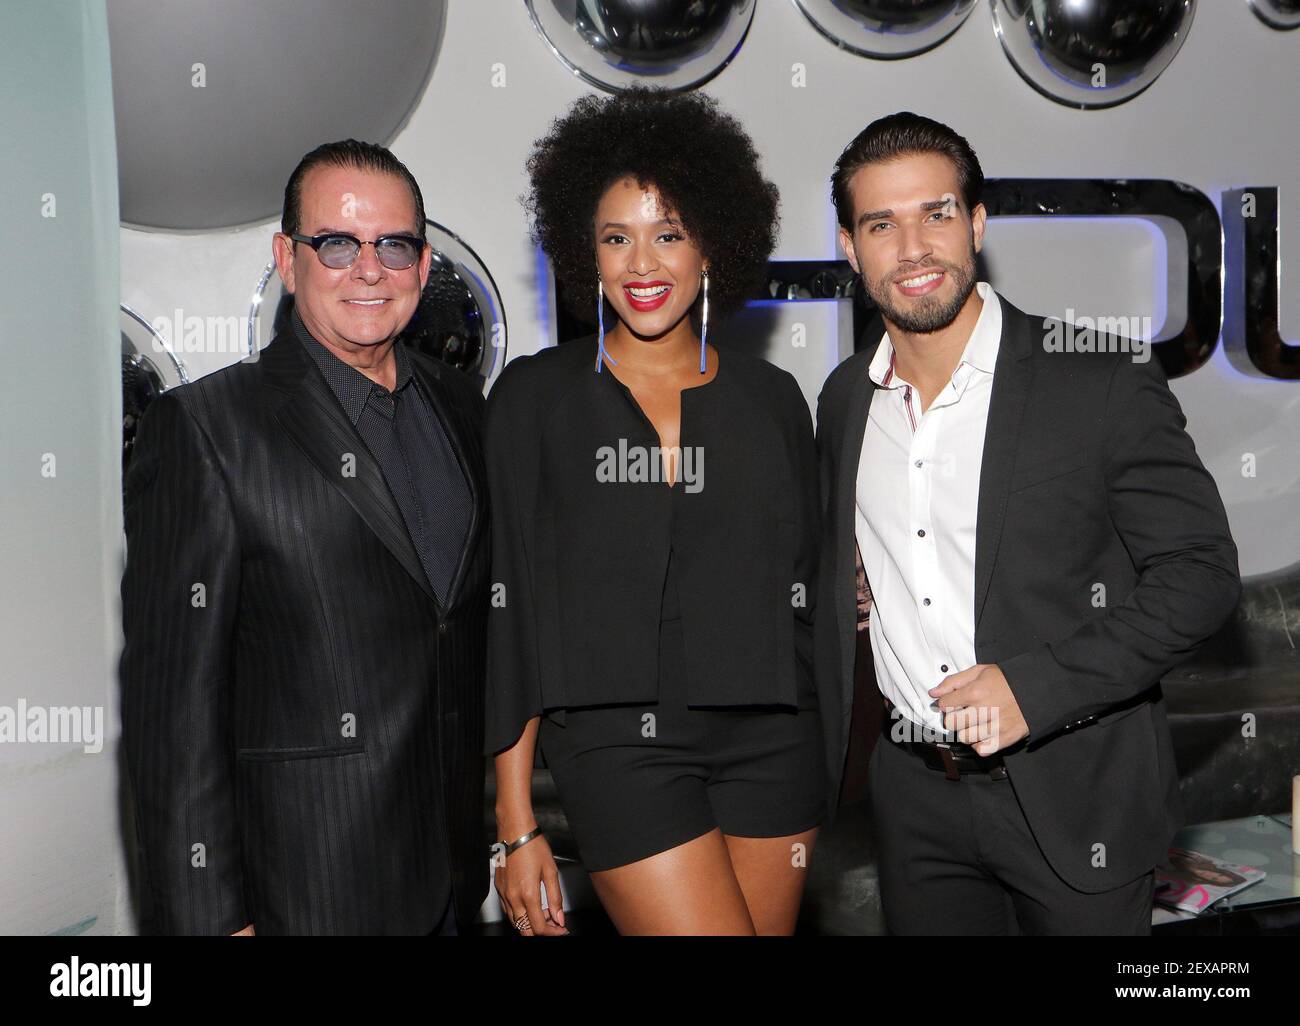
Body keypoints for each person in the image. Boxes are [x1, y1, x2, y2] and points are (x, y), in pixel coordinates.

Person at [814, 112, 1241, 935]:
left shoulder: (1096, 377)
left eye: (935, 214)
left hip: (1073, 790)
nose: (912, 248)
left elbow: (1201, 573)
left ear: (975, 224)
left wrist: (1035, 688)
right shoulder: (843, 400)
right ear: (849, 245)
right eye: (881, 223)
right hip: (911, 800)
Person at [120, 140, 490, 935]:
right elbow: (171, 719)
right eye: (336, 243)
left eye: (393, 245)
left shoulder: (462, 409)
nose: (368, 269)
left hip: (453, 883)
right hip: (304, 892)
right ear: (288, 259)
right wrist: (210, 920)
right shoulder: (205, 432)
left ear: (424, 268)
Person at [485, 87, 825, 936]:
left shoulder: (774, 398)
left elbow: (806, 584)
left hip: (774, 740)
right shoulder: (535, 397)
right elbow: (510, 612)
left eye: (668, 233)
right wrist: (514, 819)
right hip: (617, 746)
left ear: (711, 242)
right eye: (617, 238)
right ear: (584, 252)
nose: (643, 264)